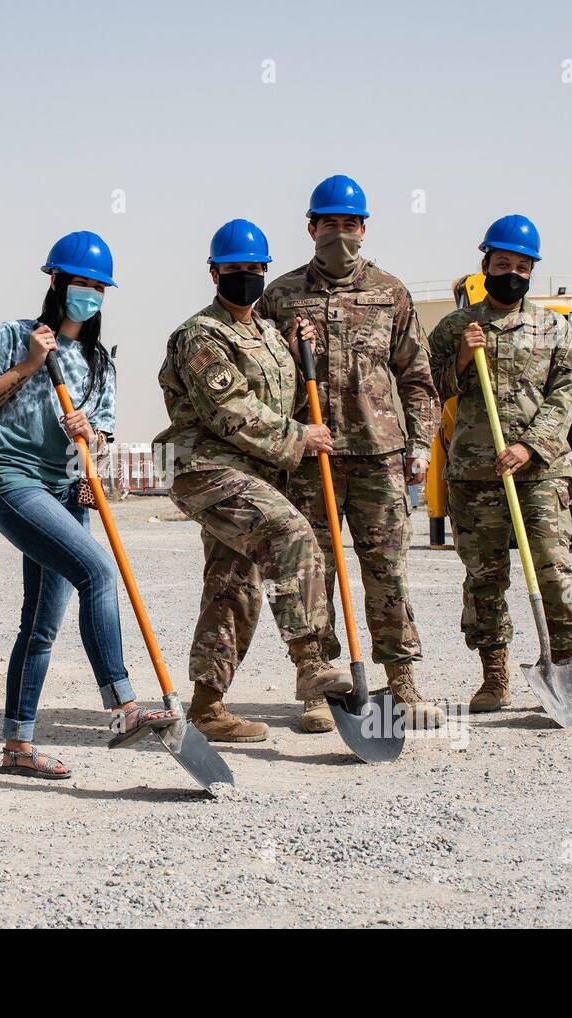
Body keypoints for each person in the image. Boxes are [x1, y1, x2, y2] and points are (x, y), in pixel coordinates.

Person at [0, 231, 176, 778]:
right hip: (13, 480)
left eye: (98, 287)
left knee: (40, 623)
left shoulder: (100, 362)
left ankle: (17, 746)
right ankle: (124, 707)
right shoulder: (16, 336)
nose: (88, 294)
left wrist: (91, 434)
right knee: (98, 573)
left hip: (66, 488)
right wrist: (30, 366)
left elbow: (101, 438)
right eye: (79, 283)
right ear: (55, 282)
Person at [257, 175, 443, 731]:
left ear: (365, 228)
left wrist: (421, 444)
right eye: (330, 224)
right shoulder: (280, 296)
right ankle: (317, 679)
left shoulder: (391, 292)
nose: (341, 234)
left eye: (350, 224)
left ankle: (401, 678)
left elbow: (418, 377)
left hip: (378, 455)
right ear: (311, 229)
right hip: (310, 457)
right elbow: (262, 375)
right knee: (310, 572)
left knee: (386, 569)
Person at [154, 220, 347, 743]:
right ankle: (311, 658)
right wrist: (299, 436)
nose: (245, 277)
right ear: (214, 272)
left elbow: (282, 398)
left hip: (250, 473)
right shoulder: (200, 335)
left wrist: (296, 355)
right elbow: (230, 410)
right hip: (203, 469)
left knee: (233, 586)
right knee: (289, 533)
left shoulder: (268, 337)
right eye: (234, 269)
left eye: (254, 269)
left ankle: (206, 706)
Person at [426, 215, 572, 710]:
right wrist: (457, 359)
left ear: (531, 271)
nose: (511, 272)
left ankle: (563, 666)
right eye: (502, 263)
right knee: (484, 578)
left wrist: (530, 445)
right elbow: (429, 390)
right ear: (485, 265)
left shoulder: (553, 327)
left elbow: (567, 391)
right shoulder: (457, 327)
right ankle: (494, 675)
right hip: (476, 473)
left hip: (539, 471)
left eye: (521, 266)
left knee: (553, 571)